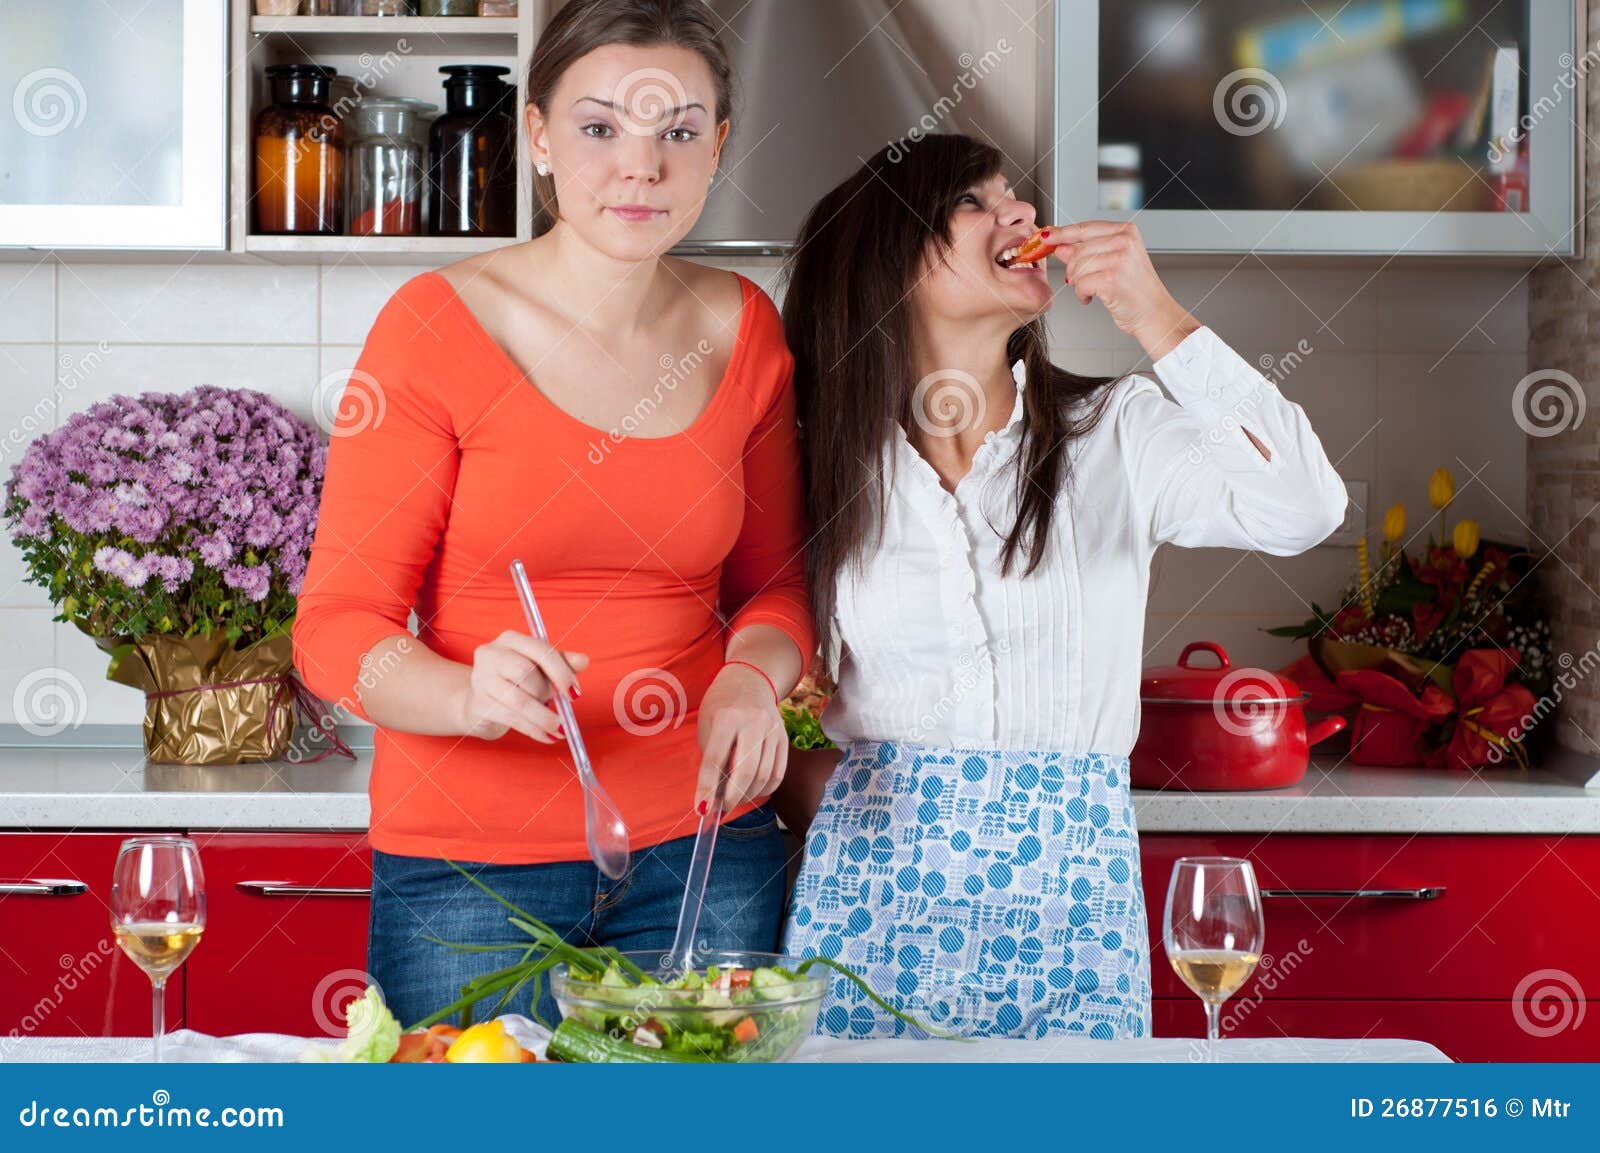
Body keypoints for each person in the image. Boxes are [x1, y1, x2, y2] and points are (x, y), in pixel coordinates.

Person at [292, 0, 811, 1028]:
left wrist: (755, 678)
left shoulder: (743, 328)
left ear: (717, 146)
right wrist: (461, 694)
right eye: (599, 126)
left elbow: (776, 588)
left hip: (706, 851)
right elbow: (334, 628)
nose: (640, 167)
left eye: (675, 132)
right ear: (535, 136)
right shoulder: (433, 328)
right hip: (468, 872)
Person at [776, 134, 1347, 1040]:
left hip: (1071, 898)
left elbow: (1303, 507)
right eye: (974, 199)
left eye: (1016, 195)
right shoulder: (824, 459)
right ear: (884, 261)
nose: (1021, 214)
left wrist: (1154, 313)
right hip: (871, 896)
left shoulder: (1113, 430)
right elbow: (751, 646)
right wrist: (812, 785)